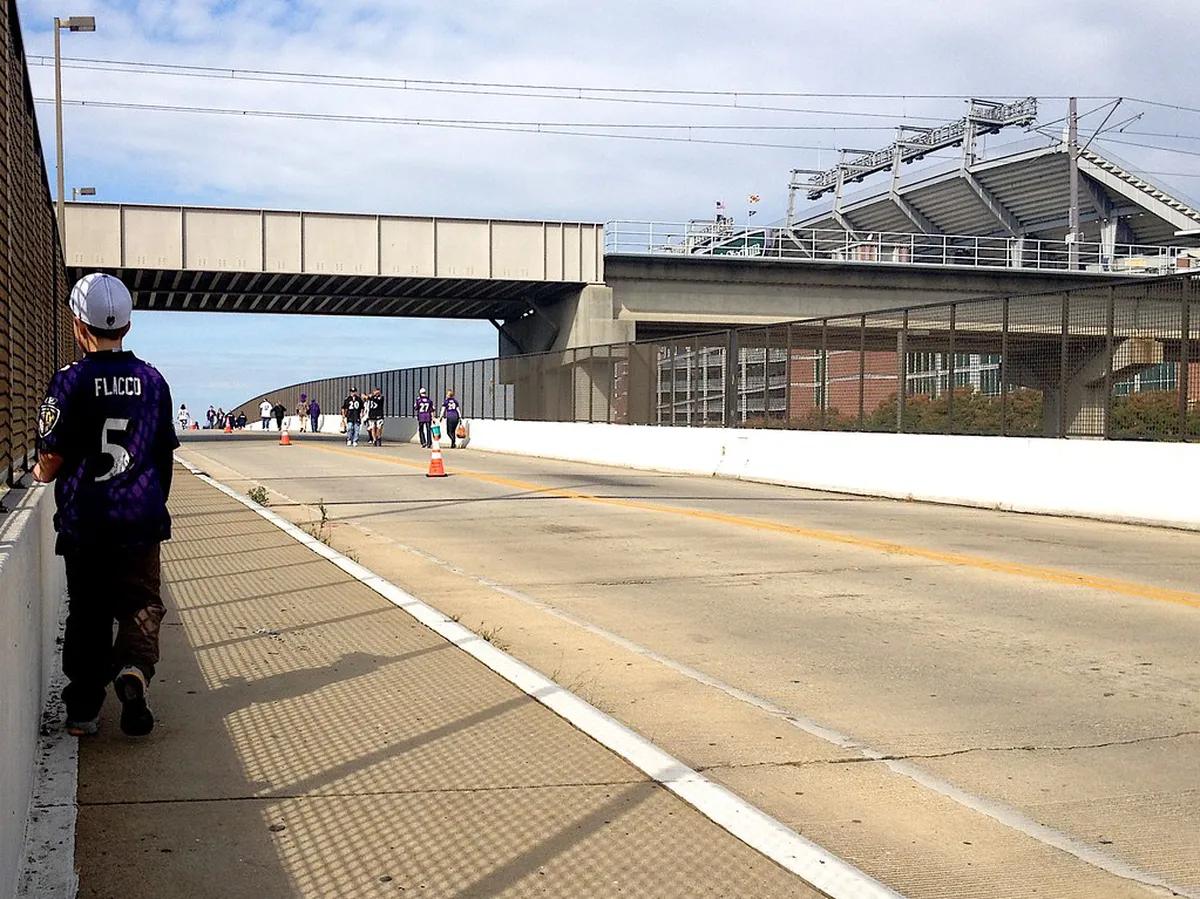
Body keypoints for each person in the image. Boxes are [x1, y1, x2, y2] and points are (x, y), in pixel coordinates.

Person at [33, 273, 178, 738]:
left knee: (88, 612)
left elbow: (51, 457)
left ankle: (83, 711)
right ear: (127, 327)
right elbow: (163, 454)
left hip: (87, 520)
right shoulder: (152, 381)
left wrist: (39, 473)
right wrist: (152, 503)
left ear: (78, 326)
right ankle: (134, 669)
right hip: (140, 518)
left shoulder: (69, 382)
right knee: (142, 604)